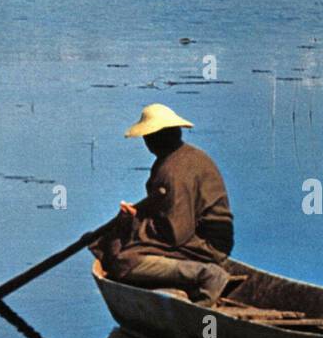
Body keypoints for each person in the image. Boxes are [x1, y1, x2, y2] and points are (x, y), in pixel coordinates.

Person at [93, 104, 235, 305]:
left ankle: (206, 275)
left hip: (208, 245)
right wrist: (136, 217)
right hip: (201, 236)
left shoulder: (173, 171)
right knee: (118, 242)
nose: (147, 141)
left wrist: (136, 223)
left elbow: (177, 232)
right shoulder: (181, 156)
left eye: (148, 136)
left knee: (122, 261)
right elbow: (167, 210)